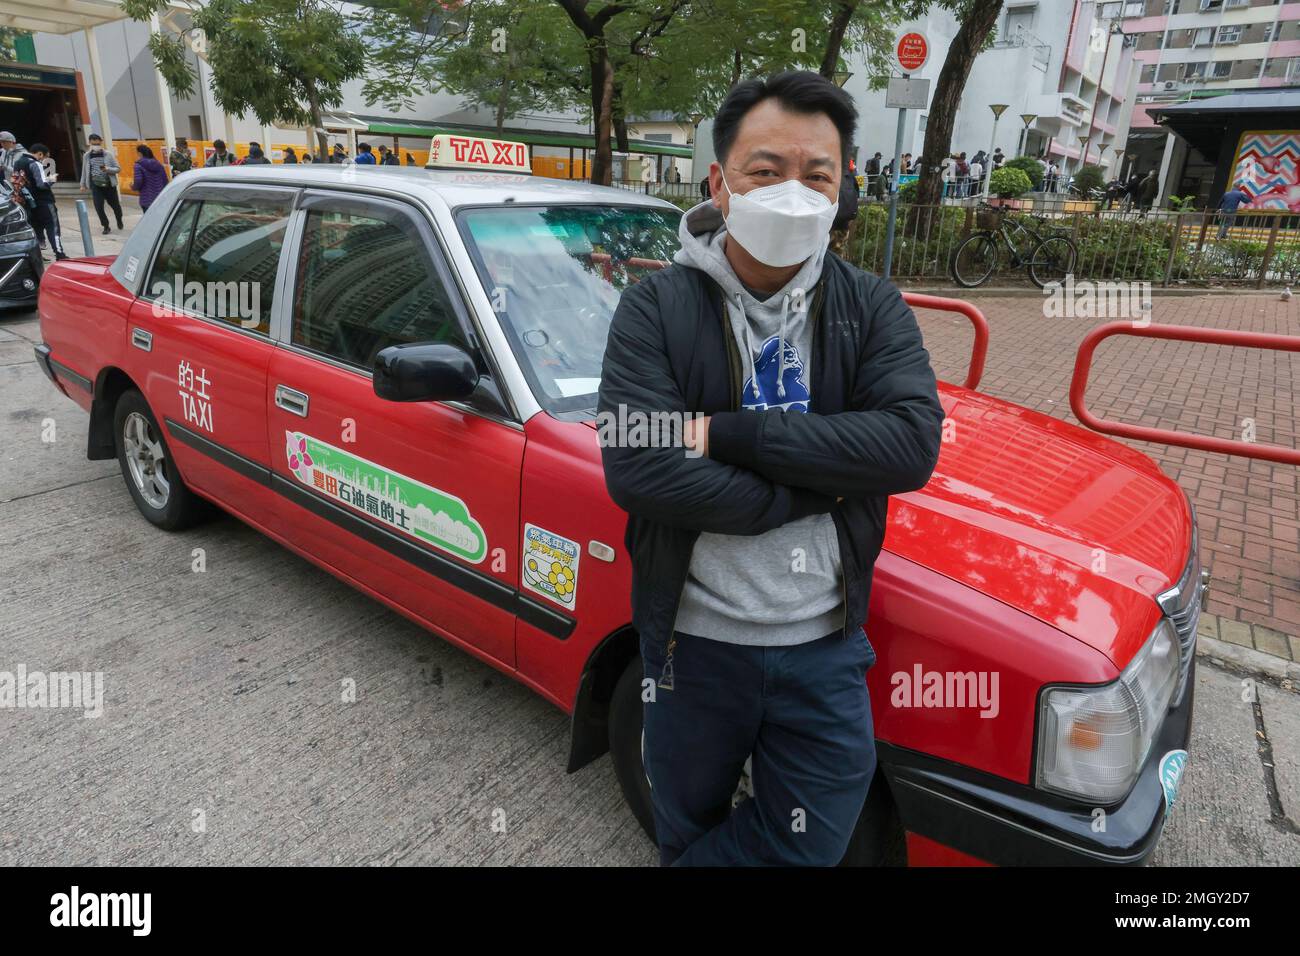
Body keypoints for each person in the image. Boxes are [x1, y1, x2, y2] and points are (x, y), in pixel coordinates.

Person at [598, 70, 943, 867]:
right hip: (691, 646)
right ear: (721, 183)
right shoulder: (655, 309)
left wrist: (726, 434)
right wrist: (820, 482)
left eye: (817, 174)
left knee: (812, 844)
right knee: (682, 821)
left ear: (842, 187)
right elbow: (639, 469)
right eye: (766, 170)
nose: (793, 192)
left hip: (824, 644)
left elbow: (909, 446)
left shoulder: (871, 308)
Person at [15, 143, 67, 259]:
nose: (45, 161)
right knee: (52, 227)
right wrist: (52, 179)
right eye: (45, 157)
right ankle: (59, 253)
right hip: (43, 201)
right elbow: (42, 185)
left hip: (28, 202)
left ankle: (37, 256)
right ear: (40, 154)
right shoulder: (35, 163)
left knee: (35, 229)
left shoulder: (17, 163)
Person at [79, 133, 124, 234]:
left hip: (109, 184)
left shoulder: (108, 154)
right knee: (98, 206)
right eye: (93, 144)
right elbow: (84, 171)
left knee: (115, 206)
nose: (96, 146)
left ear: (101, 142)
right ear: (90, 143)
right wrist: (82, 184)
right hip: (96, 185)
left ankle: (119, 219)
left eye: (97, 143)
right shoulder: (87, 156)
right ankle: (106, 226)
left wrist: (108, 169)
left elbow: (118, 168)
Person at [131, 144, 170, 212]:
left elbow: (138, 180)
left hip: (147, 199)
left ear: (140, 153)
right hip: (160, 198)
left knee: (149, 220)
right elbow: (165, 180)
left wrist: (133, 187)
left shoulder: (138, 165)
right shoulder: (158, 164)